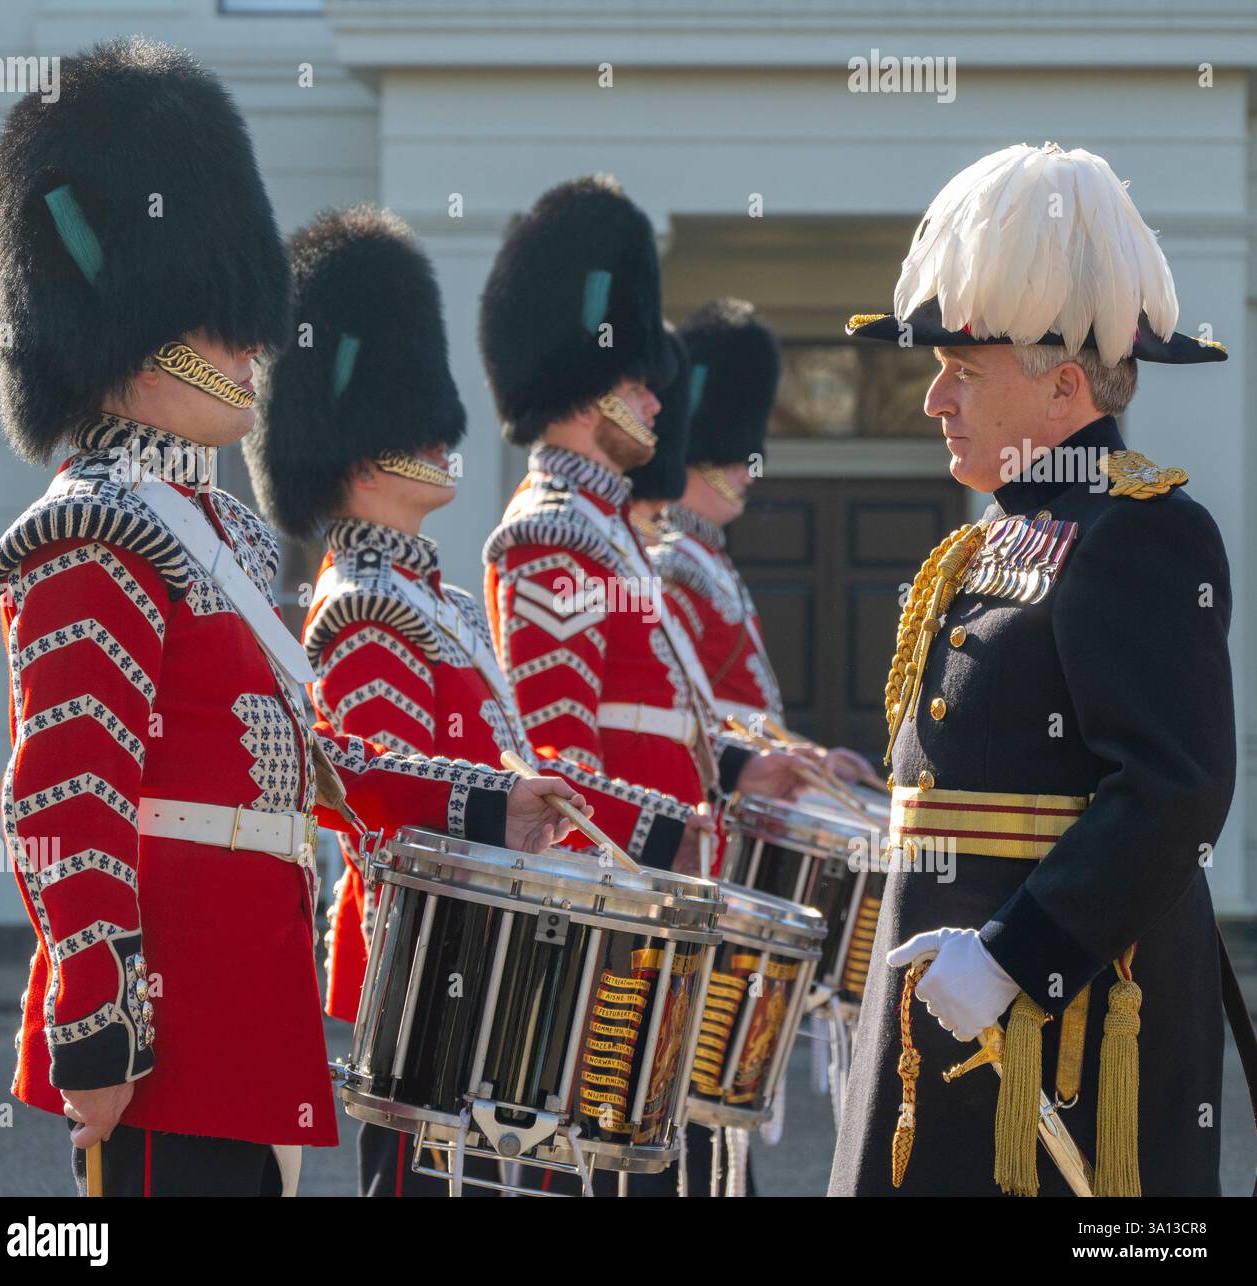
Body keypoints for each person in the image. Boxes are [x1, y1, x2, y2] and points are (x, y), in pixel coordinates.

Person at [0, 38, 581, 1198]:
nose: (255, 343)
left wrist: (480, 800)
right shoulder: (89, 530)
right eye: (222, 320)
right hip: (166, 1034)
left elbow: (307, 766)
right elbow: (63, 789)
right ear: (137, 323)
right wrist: (95, 1018)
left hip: (257, 1024)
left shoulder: (228, 538)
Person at [248, 205, 708, 1196]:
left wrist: (634, 825)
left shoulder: (438, 600)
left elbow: (503, 759)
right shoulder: (364, 608)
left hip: (493, 962)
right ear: (362, 450)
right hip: (431, 974)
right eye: (414, 422)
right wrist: (526, 808)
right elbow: (382, 806)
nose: (440, 437)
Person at [827, 142, 1243, 1197]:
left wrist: (1020, 953)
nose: (933, 400)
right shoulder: (996, 538)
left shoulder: (1140, 531)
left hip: (1058, 1030)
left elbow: (1172, 785)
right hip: (952, 1019)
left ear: (1063, 385)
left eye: (962, 372)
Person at [480, 175, 809, 1197]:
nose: (662, 400)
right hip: (604, 960)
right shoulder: (547, 535)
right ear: (592, 383)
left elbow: (670, 727)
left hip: (663, 931)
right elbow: (561, 767)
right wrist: (674, 857)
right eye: (642, 379)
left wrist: (750, 767)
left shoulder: (612, 540)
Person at [647, 300, 873, 785]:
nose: (748, 473)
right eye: (734, 460)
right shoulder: (669, 565)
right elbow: (676, 709)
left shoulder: (708, 561)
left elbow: (743, 709)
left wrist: (809, 757)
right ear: (700, 452)